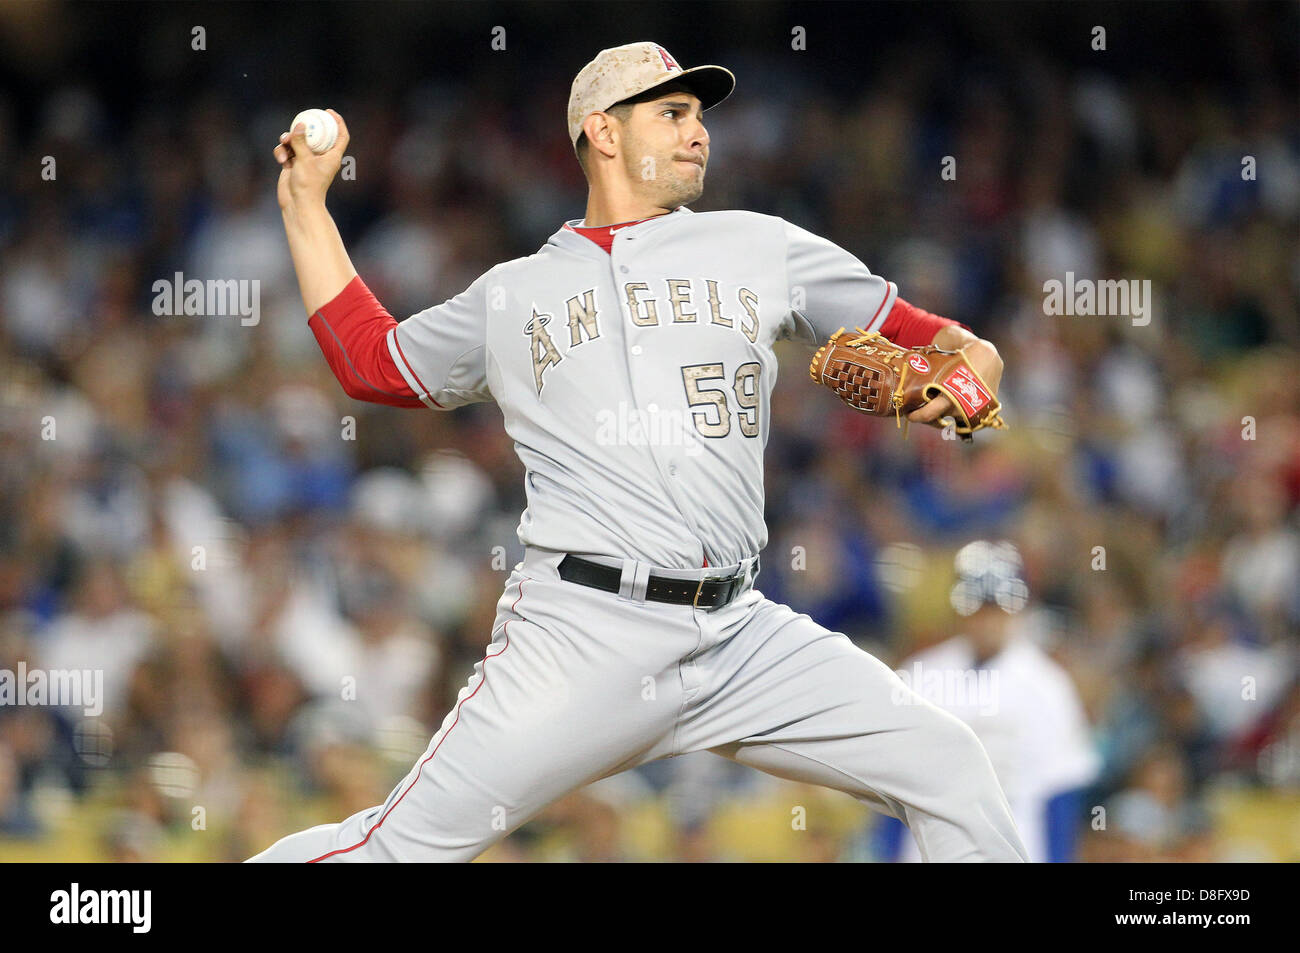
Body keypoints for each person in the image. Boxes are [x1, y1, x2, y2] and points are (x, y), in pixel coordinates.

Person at [248, 41, 1027, 862]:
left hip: (738, 633)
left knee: (947, 765)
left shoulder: (760, 245)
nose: (700, 133)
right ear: (604, 133)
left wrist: (972, 369)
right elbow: (372, 362)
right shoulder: (512, 292)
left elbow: (938, 339)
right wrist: (306, 205)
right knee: (396, 850)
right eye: (673, 112)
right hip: (583, 635)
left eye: (698, 115)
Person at [877, 541, 1100, 862]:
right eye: (978, 608)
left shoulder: (1048, 685)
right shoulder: (919, 676)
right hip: (930, 847)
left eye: (996, 608)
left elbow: (1060, 794)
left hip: (1015, 846)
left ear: (1016, 609)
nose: (986, 620)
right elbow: (893, 786)